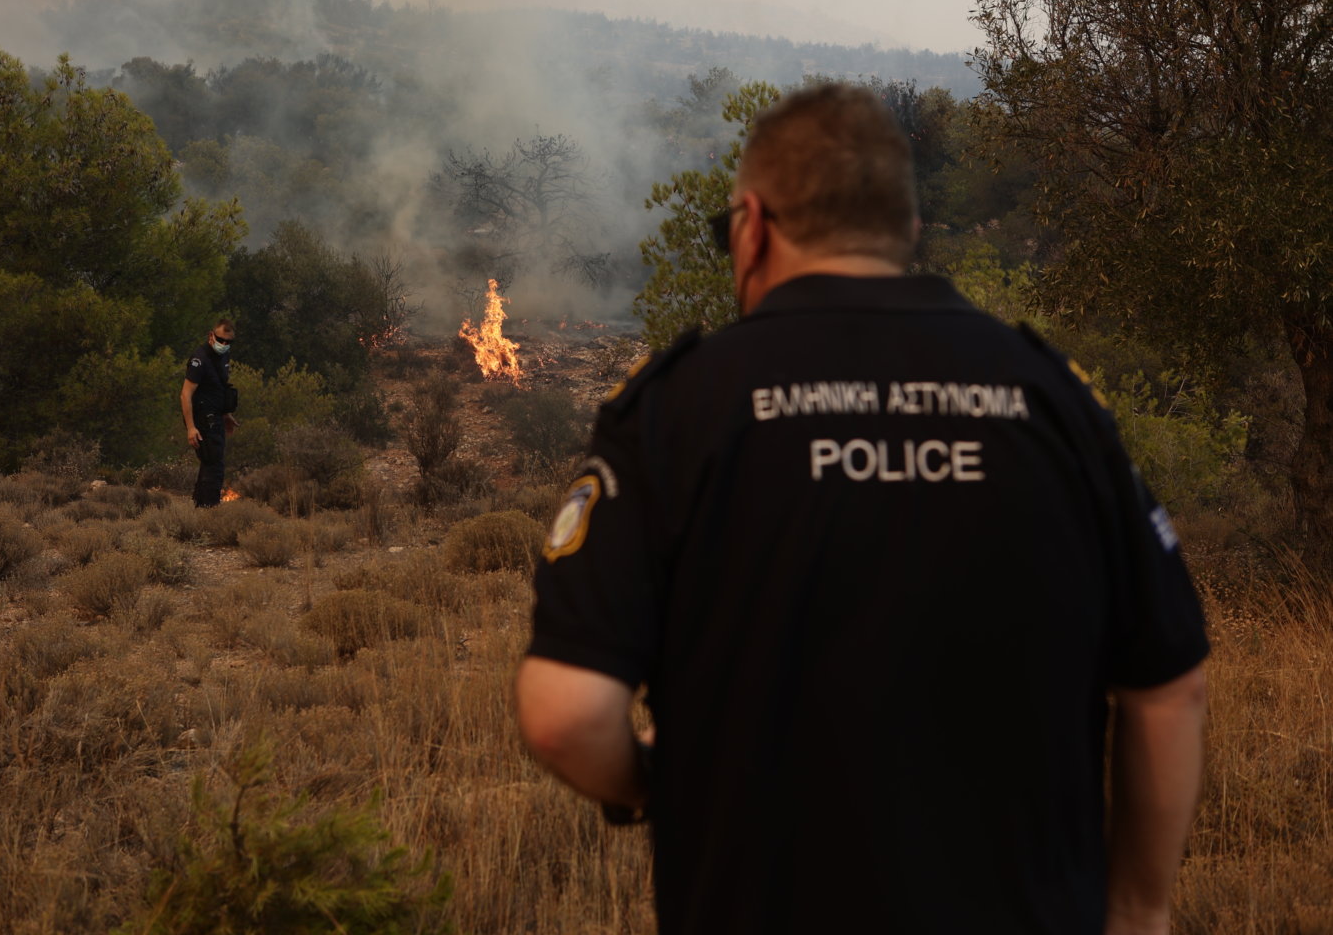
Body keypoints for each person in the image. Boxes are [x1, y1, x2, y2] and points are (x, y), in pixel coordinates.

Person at [515, 84, 1209, 935]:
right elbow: (1170, 690)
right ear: (906, 229)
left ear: (752, 226)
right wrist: (1138, 910)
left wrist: (652, 785)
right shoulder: (1052, 400)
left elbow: (564, 715)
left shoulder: (676, 409)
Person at [181, 318, 239, 508]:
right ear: (211, 335)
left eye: (228, 342)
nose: (224, 344)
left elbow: (217, 388)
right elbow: (185, 395)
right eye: (220, 339)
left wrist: (226, 414)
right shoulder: (200, 359)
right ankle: (209, 508)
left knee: (211, 461)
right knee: (214, 463)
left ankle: (200, 506)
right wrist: (191, 427)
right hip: (202, 418)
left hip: (216, 416)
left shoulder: (223, 356)